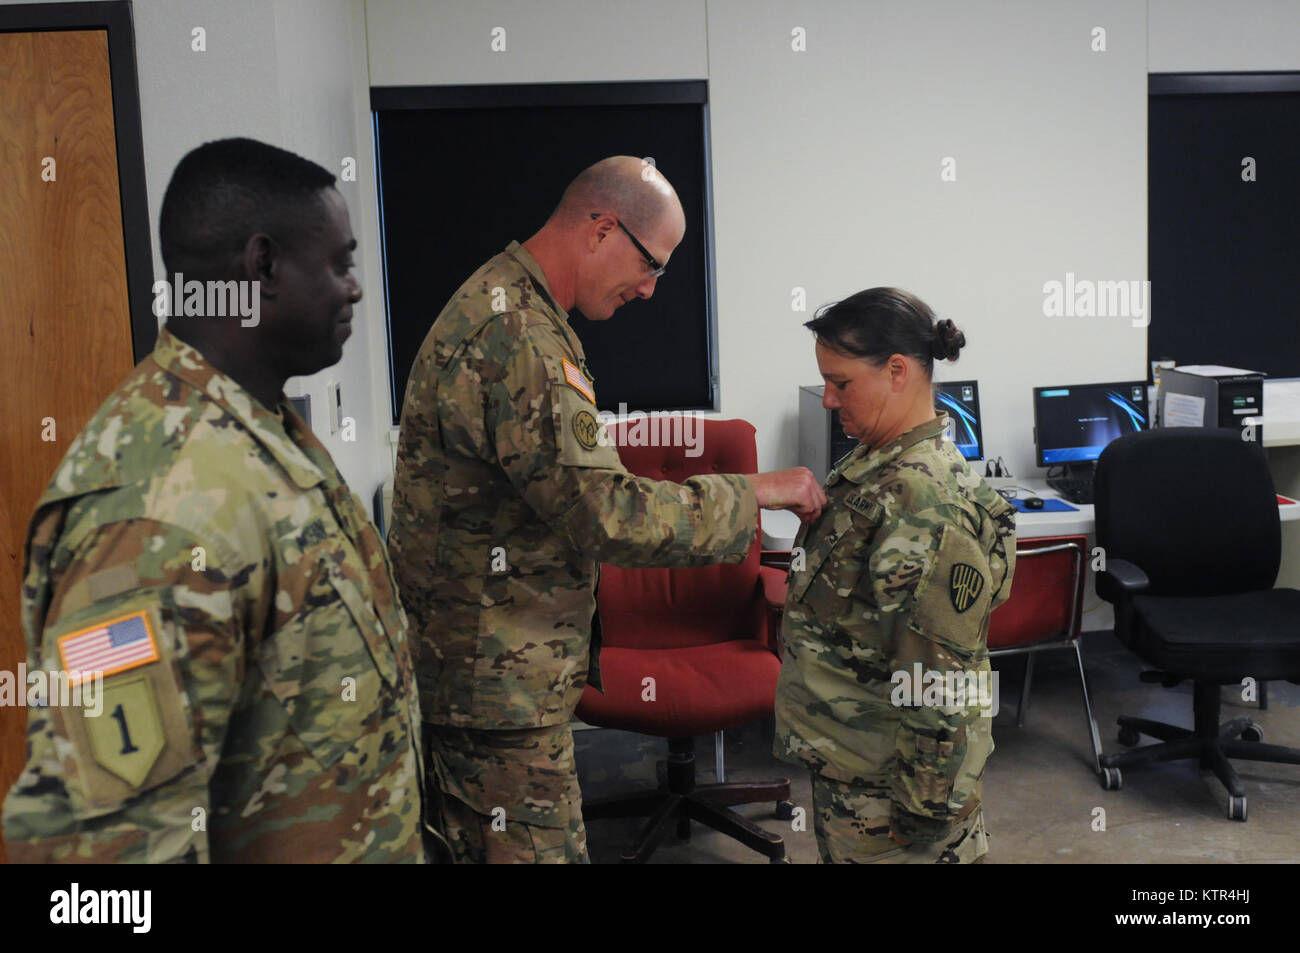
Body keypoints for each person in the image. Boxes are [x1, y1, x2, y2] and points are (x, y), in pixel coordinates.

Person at [389, 155, 825, 863]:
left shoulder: (510, 307)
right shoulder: (521, 337)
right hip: (495, 694)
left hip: (486, 678)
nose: (652, 291)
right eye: (652, 264)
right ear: (600, 229)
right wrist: (758, 490)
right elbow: (607, 514)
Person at [2, 138, 428, 863]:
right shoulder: (155, 511)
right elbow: (112, 857)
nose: (355, 288)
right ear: (262, 265)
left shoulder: (262, 429)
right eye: (340, 263)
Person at [773, 287, 1016, 864]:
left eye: (842, 383)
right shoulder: (877, 464)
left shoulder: (921, 502)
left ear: (899, 371)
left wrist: (922, 814)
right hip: (856, 766)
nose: (829, 400)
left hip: (892, 802)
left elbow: (939, 678)